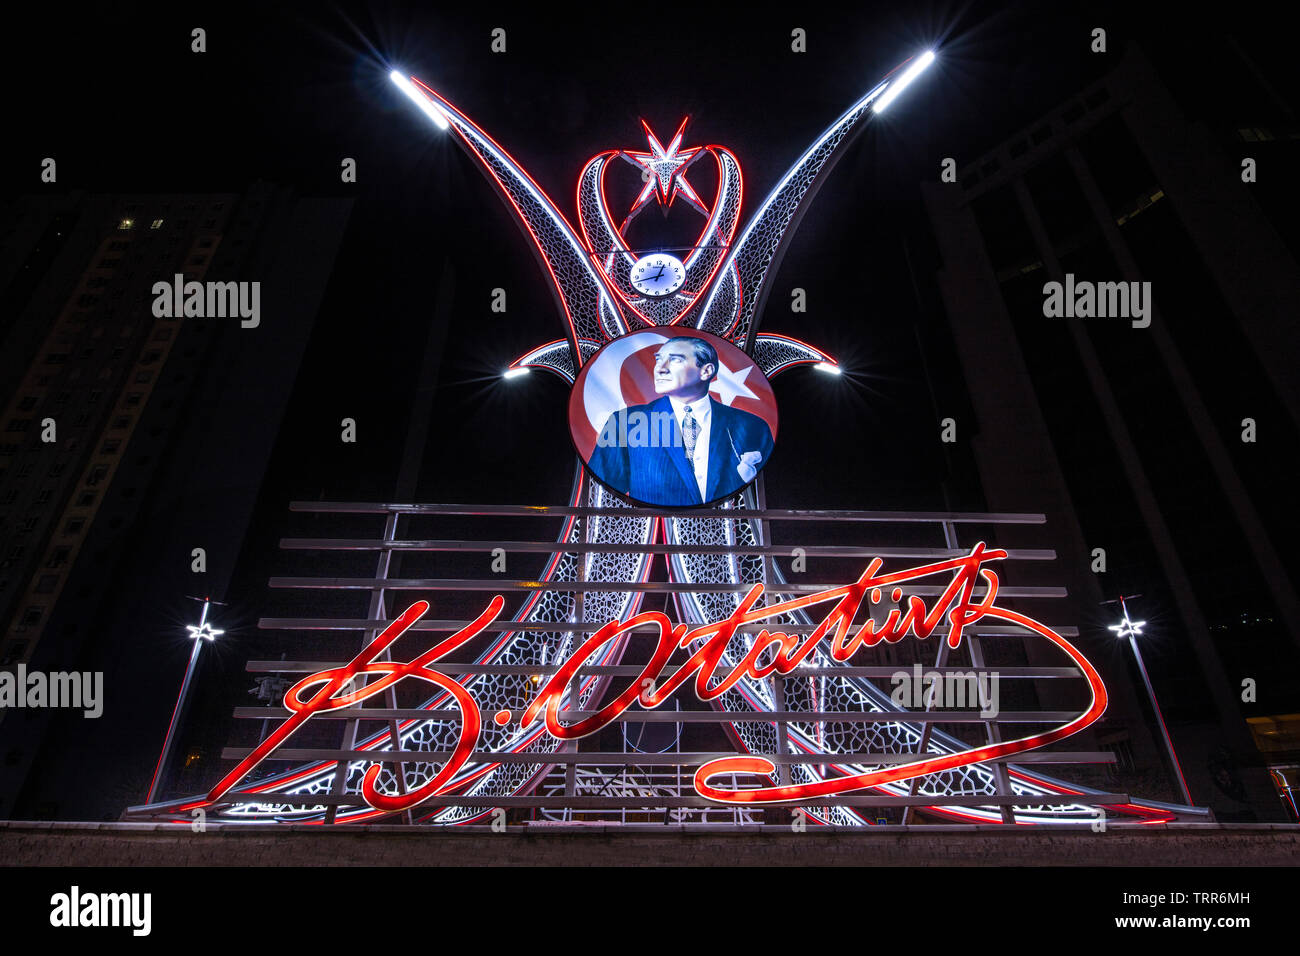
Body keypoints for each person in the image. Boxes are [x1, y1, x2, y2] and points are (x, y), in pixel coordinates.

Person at [587, 336, 774, 506]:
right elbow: (600, 497)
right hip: (653, 538)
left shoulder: (752, 427)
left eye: (675, 360)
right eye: (658, 359)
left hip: (728, 539)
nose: (660, 368)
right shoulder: (623, 423)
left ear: (706, 371)